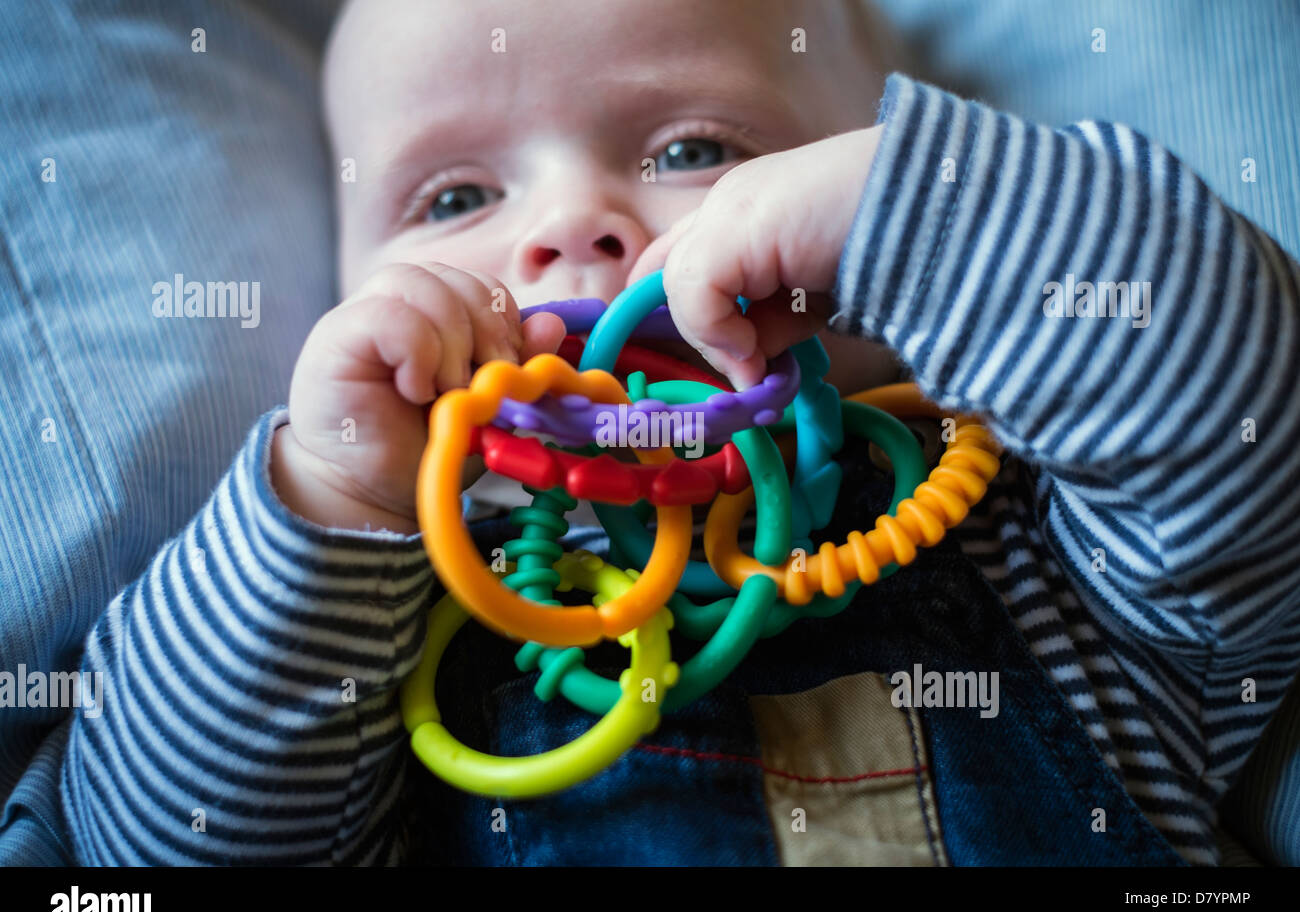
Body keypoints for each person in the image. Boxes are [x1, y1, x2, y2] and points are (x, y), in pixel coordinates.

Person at [46, 0, 1300, 864]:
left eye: (694, 147)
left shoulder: (1036, 525)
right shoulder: (380, 616)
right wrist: (324, 497)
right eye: (457, 197)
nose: (571, 223)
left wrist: (926, 213)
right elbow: (143, 847)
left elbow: (1247, 413)